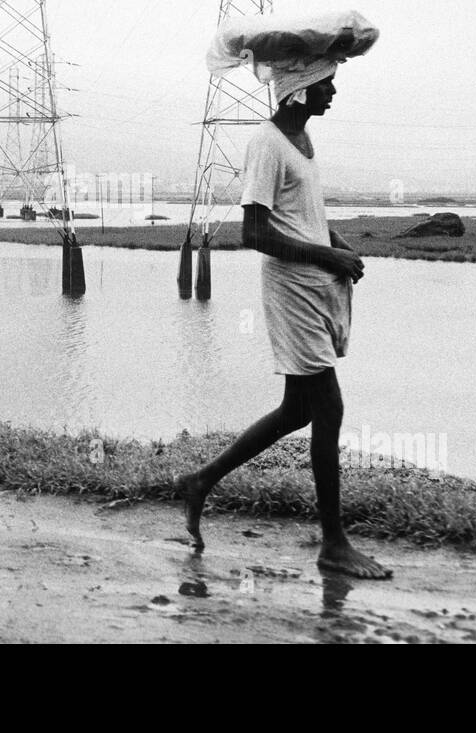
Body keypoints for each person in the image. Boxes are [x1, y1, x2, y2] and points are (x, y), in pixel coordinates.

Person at [175, 59, 391, 579]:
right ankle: (334, 543)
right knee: (329, 409)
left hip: (315, 287)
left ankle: (199, 482)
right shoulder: (267, 144)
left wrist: (338, 245)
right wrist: (326, 257)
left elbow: (304, 215)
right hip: (293, 291)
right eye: (325, 83)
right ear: (297, 91)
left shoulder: (303, 143)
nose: (333, 90)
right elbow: (254, 234)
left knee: (298, 410)